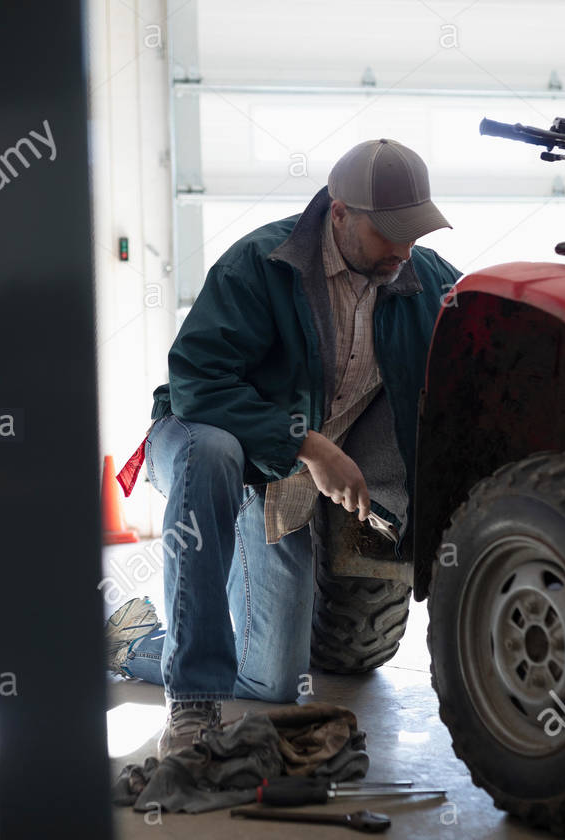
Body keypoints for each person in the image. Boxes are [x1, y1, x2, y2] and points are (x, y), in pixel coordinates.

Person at [111, 139, 461, 757]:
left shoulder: (419, 278)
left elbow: (475, 333)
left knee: (272, 682)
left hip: (283, 480)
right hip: (205, 443)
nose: (404, 250)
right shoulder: (259, 264)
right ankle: (191, 700)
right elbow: (197, 382)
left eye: (414, 232)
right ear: (340, 214)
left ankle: (130, 639)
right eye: (390, 234)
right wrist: (308, 444)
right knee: (213, 454)